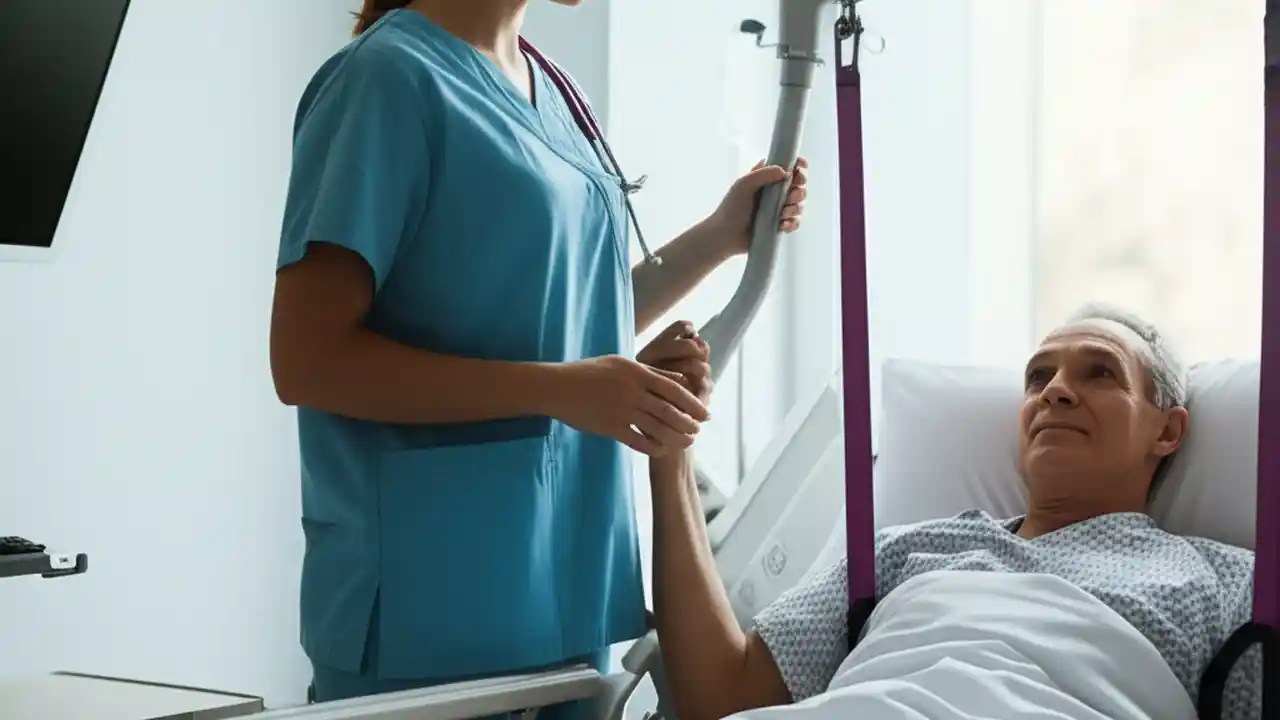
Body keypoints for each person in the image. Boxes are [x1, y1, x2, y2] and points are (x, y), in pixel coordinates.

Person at [267, 0, 811, 710]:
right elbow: (308, 360)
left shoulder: (553, 88)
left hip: (565, 595)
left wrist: (718, 237)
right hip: (431, 611)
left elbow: (570, 316)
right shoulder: (383, 82)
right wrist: (563, 391)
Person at [647, 304, 1262, 720]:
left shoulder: (1226, 582)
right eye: (1038, 378)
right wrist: (669, 455)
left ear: (1168, 431)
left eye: (1100, 373)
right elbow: (722, 694)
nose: (1054, 391)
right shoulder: (901, 552)